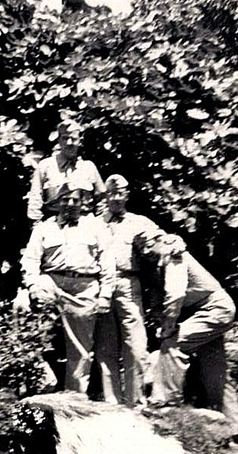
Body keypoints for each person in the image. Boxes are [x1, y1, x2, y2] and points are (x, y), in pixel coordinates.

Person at [136, 231, 238, 435]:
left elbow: (175, 294)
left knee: (173, 344)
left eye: (148, 245)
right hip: (204, 311)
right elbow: (159, 303)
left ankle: (164, 403)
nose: (145, 251)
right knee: (215, 369)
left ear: (160, 241)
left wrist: (168, 326)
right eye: (141, 248)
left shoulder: (172, 255)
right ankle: (234, 428)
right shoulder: (155, 265)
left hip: (214, 309)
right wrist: (163, 320)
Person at [17, 185, 114, 396]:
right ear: (56, 203)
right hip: (52, 281)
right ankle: (34, 381)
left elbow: (107, 262)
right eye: (65, 200)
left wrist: (106, 294)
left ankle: (74, 396)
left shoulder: (96, 227)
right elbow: (31, 260)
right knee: (23, 304)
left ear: (83, 203)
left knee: (81, 348)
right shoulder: (44, 228)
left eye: (75, 200)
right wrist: (33, 285)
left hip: (84, 288)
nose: (70, 204)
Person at [95, 174, 172, 406]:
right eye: (112, 193)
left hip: (130, 284)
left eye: (121, 193)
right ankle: (111, 401)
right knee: (105, 344)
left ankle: (135, 401)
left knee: (135, 343)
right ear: (106, 196)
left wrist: (174, 241)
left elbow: (163, 239)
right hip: (102, 286)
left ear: (127, 195)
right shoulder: (95, 223)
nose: (116, 198)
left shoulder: (140, 222)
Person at [26, 121, 105, 222]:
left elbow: (102, 201)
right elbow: (35, 200)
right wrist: (37, 225)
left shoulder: (89, 167)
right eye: (65, 138)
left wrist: (99, 226)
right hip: (54, 223)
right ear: (59, 140)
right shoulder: (45, 166)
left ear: (80, 141)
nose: (69, 143)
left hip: (85, 223)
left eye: (73, 139)